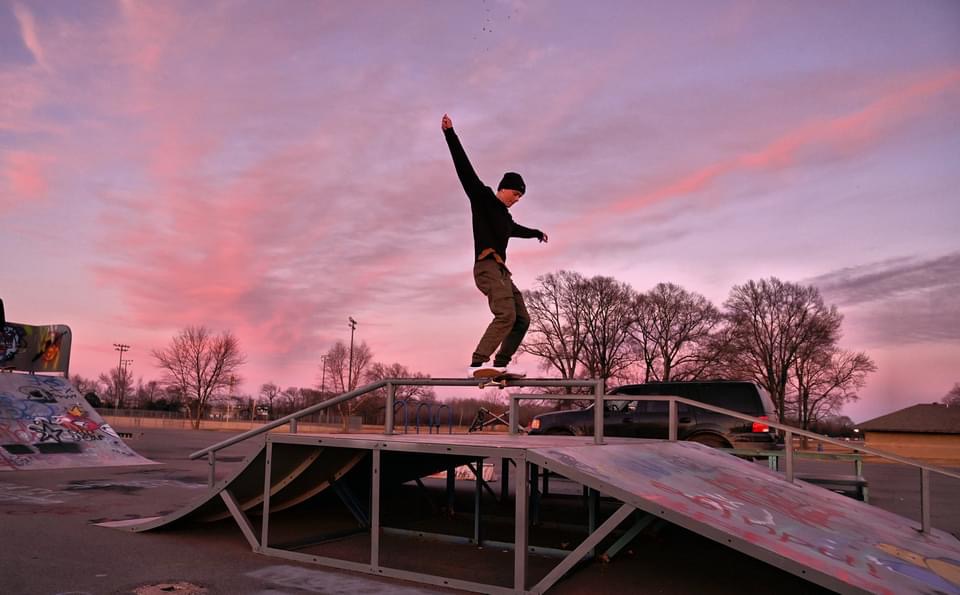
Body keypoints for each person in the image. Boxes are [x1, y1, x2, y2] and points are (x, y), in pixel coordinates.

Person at [441, 113, 548, 379]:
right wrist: (450, 135)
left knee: (522, 318)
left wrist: (536, 232)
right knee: (506, 314)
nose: (517, 199)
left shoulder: (506, 219)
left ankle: (500, 364)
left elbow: (516, 229)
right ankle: (477, 364)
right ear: (504, 189)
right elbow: (465, 171)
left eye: (521, 197)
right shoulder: (484, 198)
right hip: (486, 267)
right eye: (515, 193)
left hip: (501, 272)